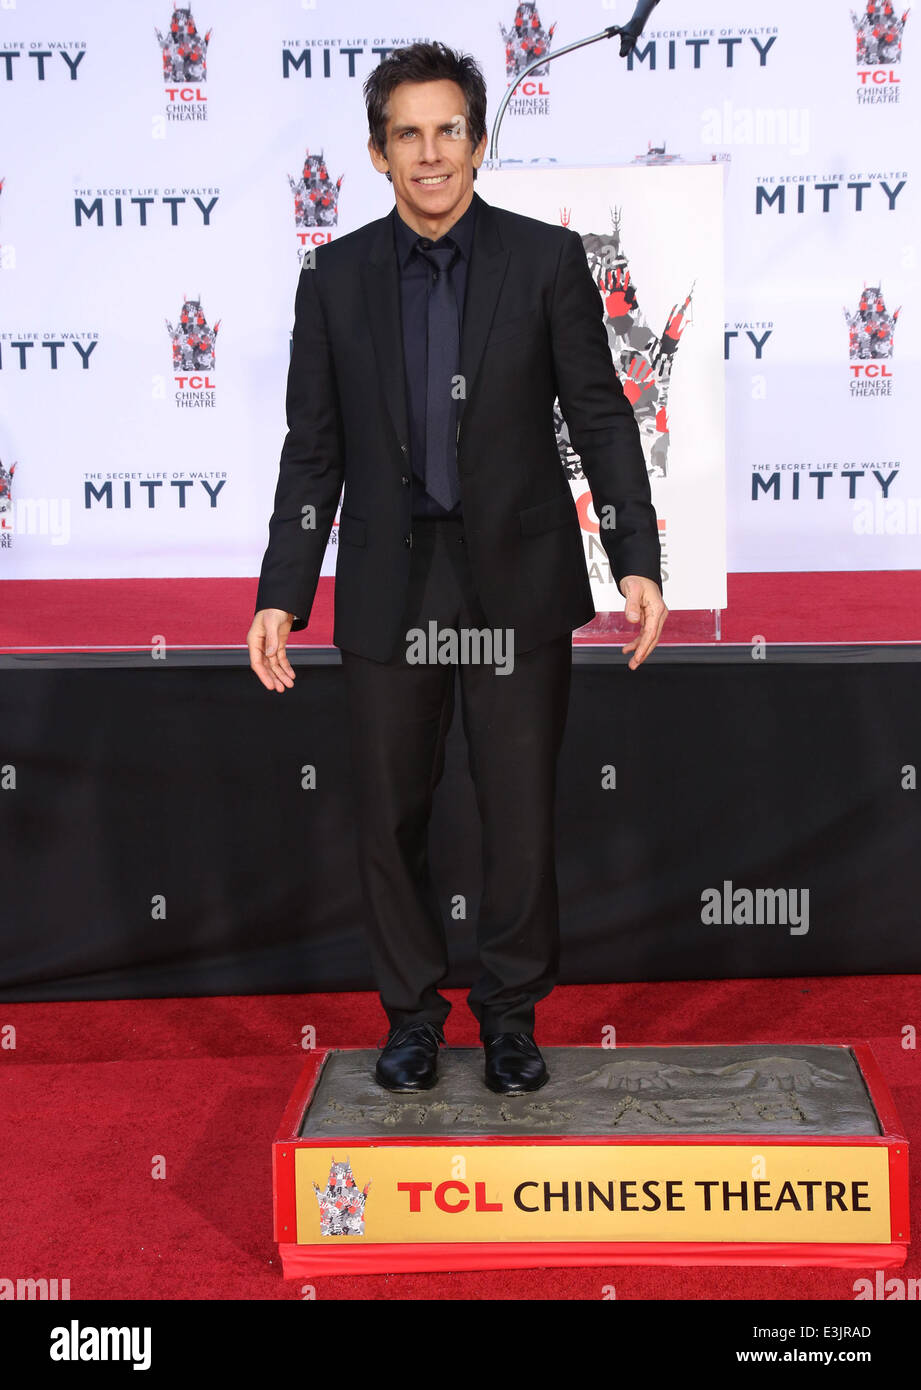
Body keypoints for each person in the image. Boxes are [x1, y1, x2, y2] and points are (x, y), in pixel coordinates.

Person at [248, 42, 667, 1097]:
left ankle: (513, 1019)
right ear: (378, 153)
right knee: (391, 817)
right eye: (408, 135)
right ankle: (411, 1020)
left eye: (448, 131)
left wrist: (636, 555)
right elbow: (315, 448)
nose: (430, 153)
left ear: (479, 143)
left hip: (517, 582)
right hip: (393, 583)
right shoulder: (334, 276)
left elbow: (602, 416)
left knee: (518, 812)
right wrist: (282, 590)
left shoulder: (542, 262)